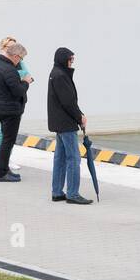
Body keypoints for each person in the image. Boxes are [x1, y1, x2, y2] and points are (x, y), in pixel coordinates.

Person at [48, 47, 92, 204]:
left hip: (59, 123)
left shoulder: (56, 73)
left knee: (60, 158)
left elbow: (68, 101)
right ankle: (73, 193)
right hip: (66, 123)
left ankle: (57, 192)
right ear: (63, 59)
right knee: (73, 158)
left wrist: (79, 114)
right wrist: (80, 117)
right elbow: (68, 102)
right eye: (70, 59)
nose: (72, 62)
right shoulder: (60, 76)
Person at [0, 41, 30, 182]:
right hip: (10, 110)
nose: (20, 61)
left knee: (6, 139)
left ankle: (4, 169)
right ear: (16, 56)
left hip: (1, 108)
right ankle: (2, 173)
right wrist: (25, 82)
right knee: (8, 141)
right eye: (21, 58)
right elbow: (18, 91)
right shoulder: (9, 69)